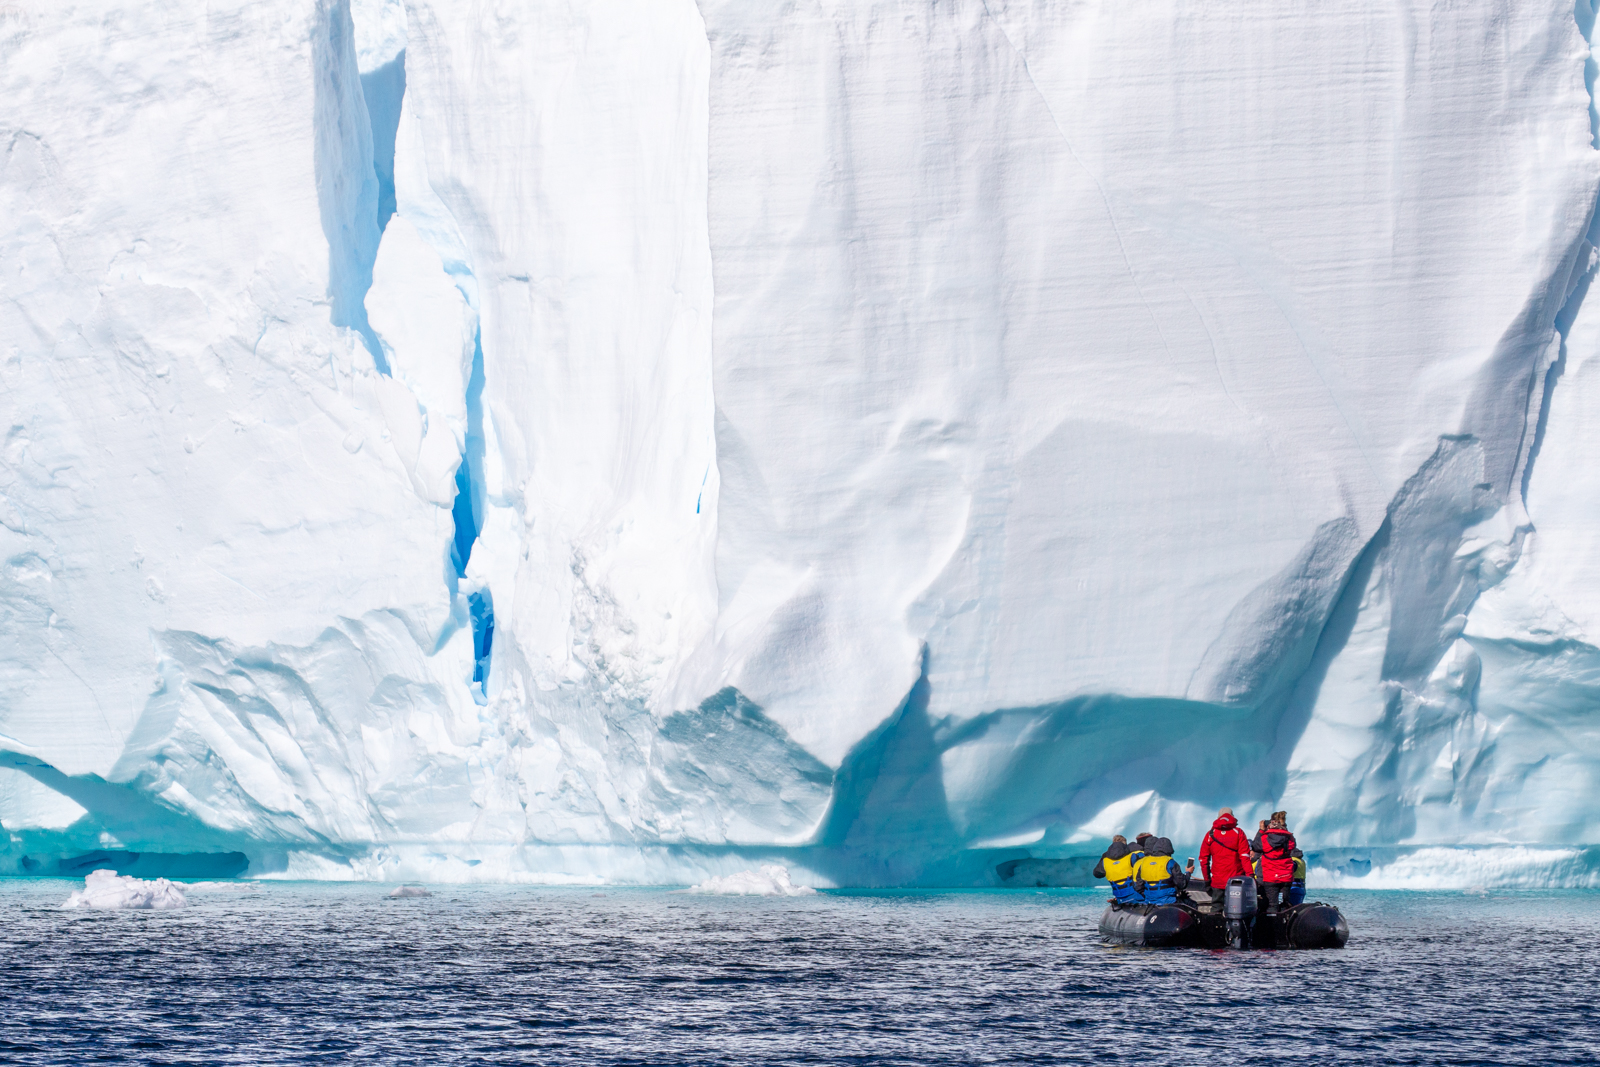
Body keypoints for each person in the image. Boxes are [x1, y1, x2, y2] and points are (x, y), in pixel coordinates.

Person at [1198, 807, 1252, 905]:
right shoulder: (1238, 832)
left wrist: (1207, 880)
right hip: (1236, 881)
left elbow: (1203, 860)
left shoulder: (1210, 834)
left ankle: (1216, 919)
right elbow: (1245, 857)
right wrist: (1250, 876)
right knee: (1238, 907)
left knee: (1216, 908)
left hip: (1217, 882)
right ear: (1232, 817)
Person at [1252, 814, 1298, 913]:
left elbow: (1256, 846)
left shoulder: (1265, 838)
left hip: (1271, 876)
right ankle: (1286, 925)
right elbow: (1292, 847)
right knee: (1286, 905)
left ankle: (1272, 926)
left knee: (1272, 905)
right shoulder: (1289, 837)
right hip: (1286, 876)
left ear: (1271, 822)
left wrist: (1261, 831)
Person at [1130, 836, 1189, 905]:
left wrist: (1150, 895)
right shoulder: (1170, 862)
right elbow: (1182, 884)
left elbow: (1138, 886)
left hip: (1149, 902)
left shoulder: (1143, 863)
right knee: (1190, 903)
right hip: (1168, 901)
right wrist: (1188, 873)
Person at [1092, 835, 1143, 905]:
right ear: (1125, 845)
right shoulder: (1131, 857)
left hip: (1120, 897)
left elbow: (1097, 874)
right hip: (1136, 896)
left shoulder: (1105, 861)